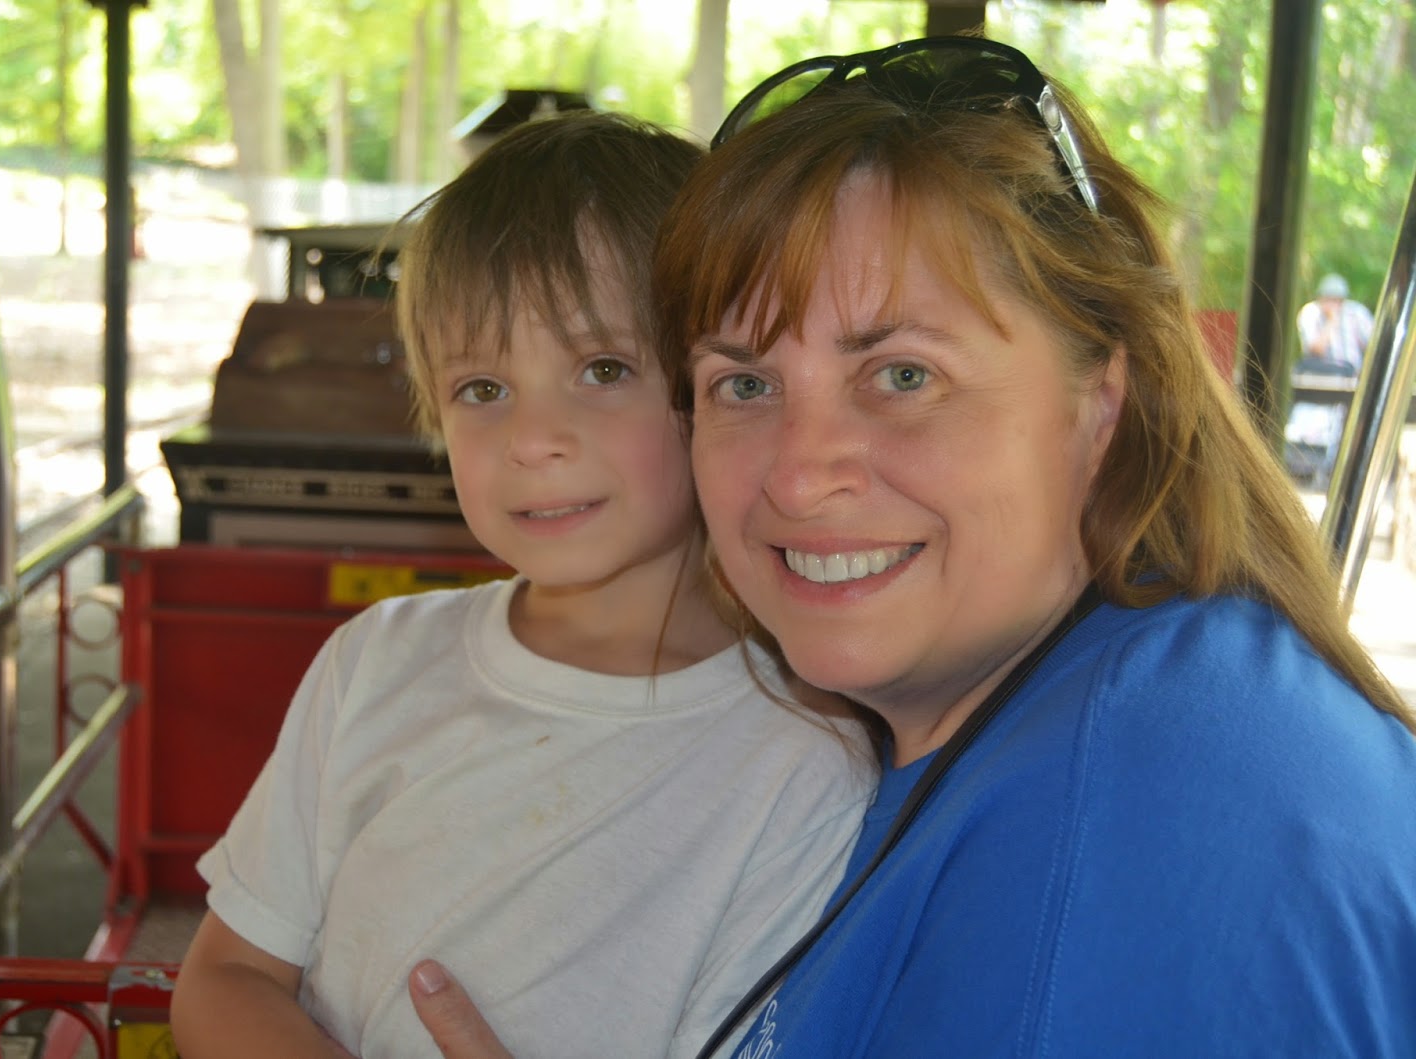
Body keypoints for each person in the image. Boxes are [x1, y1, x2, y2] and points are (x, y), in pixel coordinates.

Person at [399, 36, 1416, 1058]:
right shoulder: (1067, 716)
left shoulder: (1150, 821)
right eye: (743, 385)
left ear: (1101, 402)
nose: (799, 476)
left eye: (902, 376)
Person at [167, 111, 876, 1059]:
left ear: (718, 387)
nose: (533, 437)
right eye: (483, 389)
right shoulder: (375, 661)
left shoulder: (804, 759)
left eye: (603, 368)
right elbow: (226, 976)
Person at [1287, 273, 1376, 484]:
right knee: (1307, 420)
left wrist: (1364, 372)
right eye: (1328, 298)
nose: (1332, 304)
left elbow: (1374, 347)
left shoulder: (1357, 314)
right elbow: (1315, 348)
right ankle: (1302, 462)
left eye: (1336, 300)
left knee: (1346, 420)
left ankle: (1339, 467)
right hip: (1318, 376)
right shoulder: (1310, 313)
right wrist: (1331, 321)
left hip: (1348, 377)